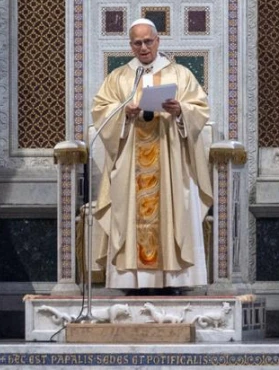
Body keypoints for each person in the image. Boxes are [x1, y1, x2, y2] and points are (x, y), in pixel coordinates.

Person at [91, 18, 213, 292]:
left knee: (174, 209)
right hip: (130, 161)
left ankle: (173, 281)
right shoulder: (119, 77)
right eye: (138, 42)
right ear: (130, 45)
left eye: (148, 41)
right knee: (128, 213)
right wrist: (124, 113)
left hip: (171, 162)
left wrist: (180, 110)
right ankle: (131, 281)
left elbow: (200, 108)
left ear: (158, 41)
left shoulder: (179, 74)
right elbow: (101, 111)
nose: (144, 47)